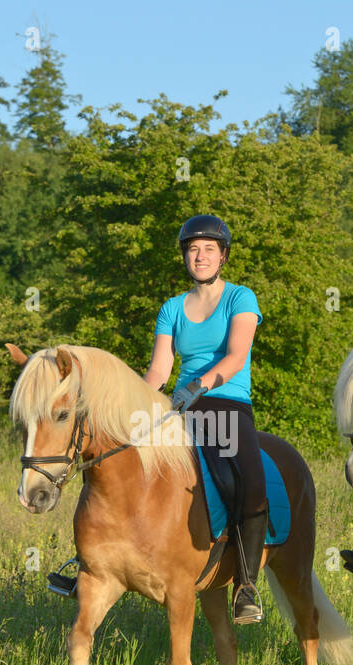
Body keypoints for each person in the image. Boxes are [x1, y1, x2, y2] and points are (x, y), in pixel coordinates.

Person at [144, 215, 268, 623]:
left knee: (248, 482)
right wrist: (141, 399)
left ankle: (246, 586)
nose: (199, 256)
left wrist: (198, 386)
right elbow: (161, 369)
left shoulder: (240, 298)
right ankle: (91, 562)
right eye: (193, 249)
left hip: (227, 404)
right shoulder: (171, 308)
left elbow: (235, 357)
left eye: (208, 250)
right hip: (180, 406)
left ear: (223, 256)